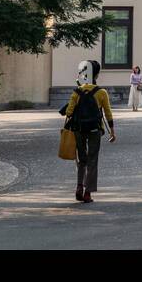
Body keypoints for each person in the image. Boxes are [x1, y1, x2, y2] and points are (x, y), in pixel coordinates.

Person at [62, 60, 116, 202]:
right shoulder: (101, 92)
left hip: (79, 129)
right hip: (94, 129)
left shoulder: (77, 92)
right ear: (97, 75)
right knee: (93, 160)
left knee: (81, 159)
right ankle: (88, 193)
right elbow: (108, 113)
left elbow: (69, 112)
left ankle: (79, 186)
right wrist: (112, 130)